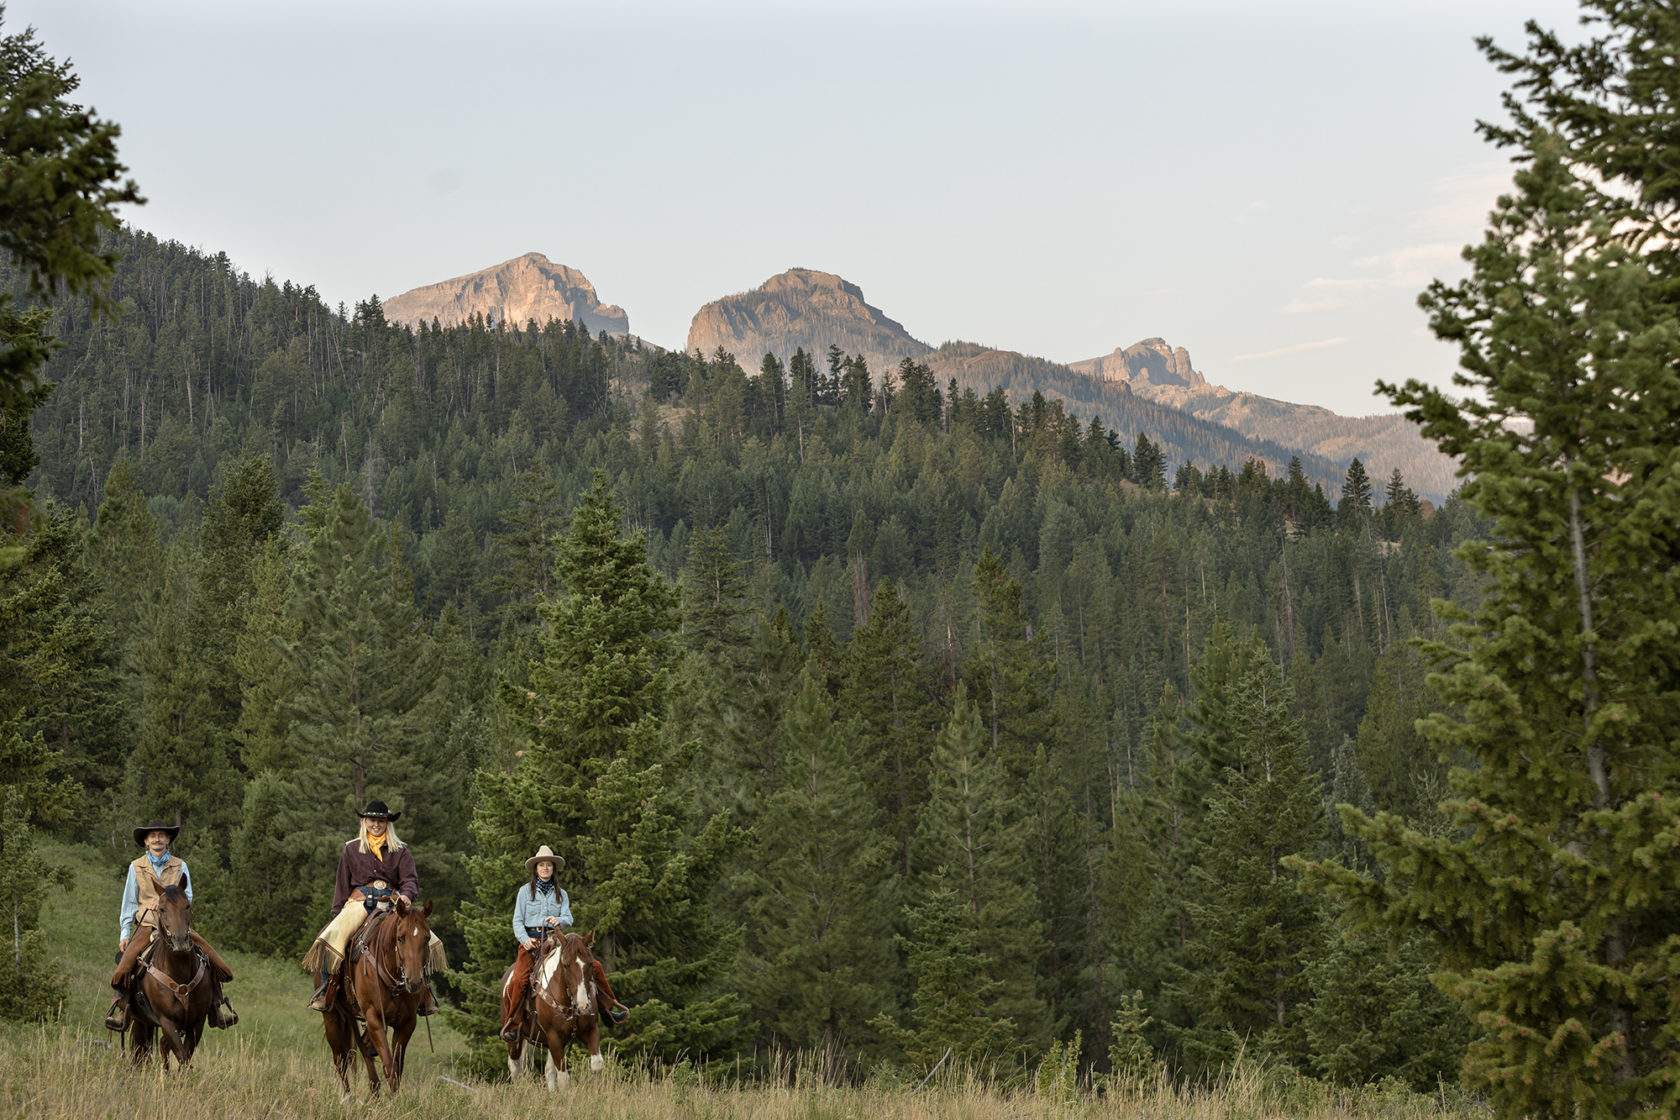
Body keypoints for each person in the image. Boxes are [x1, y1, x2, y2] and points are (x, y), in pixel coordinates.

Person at [302, 800, 440, 1014]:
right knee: (333, 934)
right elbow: (342, 884)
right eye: (372, 820)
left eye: (381, 821)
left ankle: (425, 993)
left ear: (387, 824)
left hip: (392, 904)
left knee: (425, 938)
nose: (376, 825)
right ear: (365, 822)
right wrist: (337, 914)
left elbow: (410, 880)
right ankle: (326, 989)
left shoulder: (401, 851)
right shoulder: (351, 849)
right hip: (359, 903)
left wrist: (406, 895)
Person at [104, 820, 238, 1032]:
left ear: (168, 840)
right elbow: (129, 903)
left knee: (208, 957)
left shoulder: (180, 866)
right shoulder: (136, 867)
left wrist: (167, 902)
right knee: (125, 963)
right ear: (146, 842)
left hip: (176, 924)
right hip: (147, 924)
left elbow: (188, 896)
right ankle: (122, 1008)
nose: (157, 839)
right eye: (152, 836)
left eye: (161, 835)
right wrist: (124, 934)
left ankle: (216, 1007)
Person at [498, 844, 628, 1042]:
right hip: (532, 941)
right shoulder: (524, 892)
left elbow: (568, 918)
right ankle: (513, 1024)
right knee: (519, 980)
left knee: (594, 966)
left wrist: (559, 920)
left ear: (553, 868)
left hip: (557, 940)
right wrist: (525, 940)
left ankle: (607, 1010)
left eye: (548, 865)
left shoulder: (562, 894)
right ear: (536, 869)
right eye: (541, 865)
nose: (545, 868)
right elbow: (517, 921)